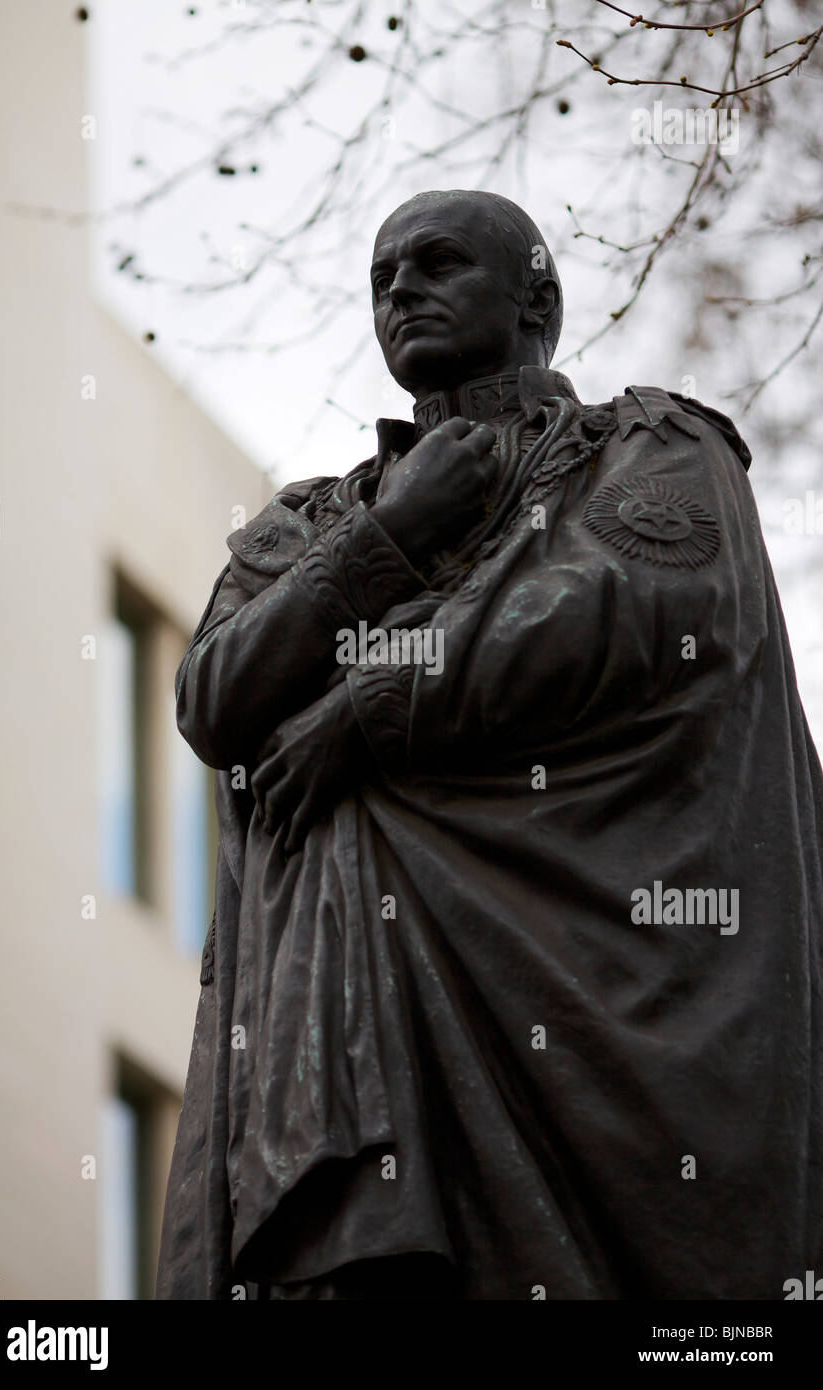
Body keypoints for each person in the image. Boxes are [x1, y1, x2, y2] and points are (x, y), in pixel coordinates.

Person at [156, 189, 823, 1300]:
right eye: (380, 278)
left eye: (436, 262)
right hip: (332, 1009)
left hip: (593, 976)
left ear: (535, 294)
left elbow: (642, 600)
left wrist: (368, 709)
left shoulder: (650, 447)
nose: (401, 290)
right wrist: (388, 536)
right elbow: (213, 696)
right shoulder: (311, 523)